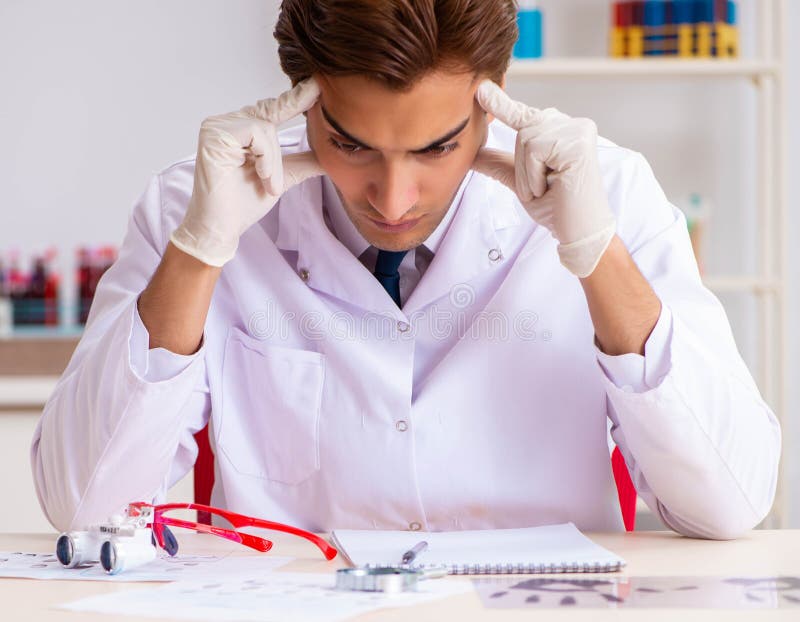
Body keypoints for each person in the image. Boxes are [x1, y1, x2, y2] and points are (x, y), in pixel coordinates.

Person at [31, 0, 780, 540]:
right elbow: (85, 505)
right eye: (351, 145)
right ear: (303, 102)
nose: (393, 199)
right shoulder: (194, 204)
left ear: (496, 100)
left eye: (436, 148)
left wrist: (596, 256)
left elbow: (729, 502)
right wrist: (199, 252)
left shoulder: (607, 193)